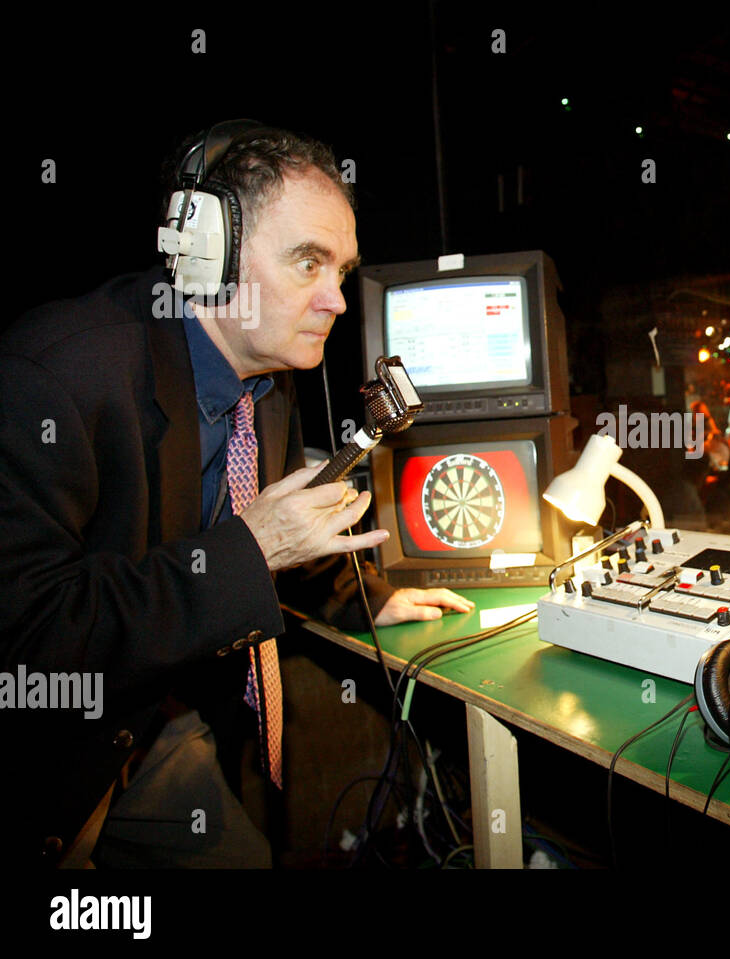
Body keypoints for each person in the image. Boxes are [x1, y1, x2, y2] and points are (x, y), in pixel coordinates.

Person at [0, 122, 472, 867]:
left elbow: (262, 522)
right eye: (308, 262)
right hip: (43, 752)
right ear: (203, 251)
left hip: (150, 721)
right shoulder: (55, 376)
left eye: (342, 270)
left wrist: (368, 599)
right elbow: (27, 640)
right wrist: (256, 547)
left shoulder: (267, 384)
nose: (338, 300)